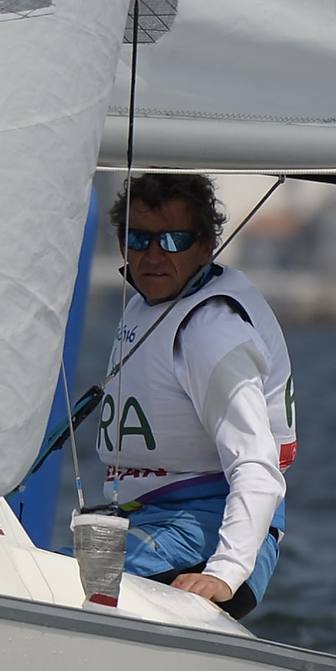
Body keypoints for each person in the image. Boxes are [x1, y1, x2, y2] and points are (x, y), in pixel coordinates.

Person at [94, 172, 297, 619]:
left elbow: (257, 465)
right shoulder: (145, 303)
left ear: (206, 246)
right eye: (138, 238)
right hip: (147, 518)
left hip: (209, 528)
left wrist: (225, 572)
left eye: (173, 240)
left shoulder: (211, 331)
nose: (152, 255)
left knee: (77, 581)